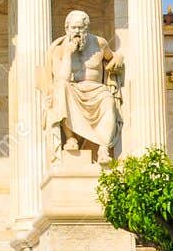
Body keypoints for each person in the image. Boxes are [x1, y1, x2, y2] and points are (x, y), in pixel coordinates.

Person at [41, 10, 121, 163]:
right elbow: (62, 78)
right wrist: (68, 54)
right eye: (73, 28)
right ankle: (71, 139)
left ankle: (103, 148)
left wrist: (119, 57)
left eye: (80, 28)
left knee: (108, 100)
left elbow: (112, 57)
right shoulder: (59, 49)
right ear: (67, 29)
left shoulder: (100, 43)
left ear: (86, 28)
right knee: (61, 89)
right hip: (73, 90)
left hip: (97, 90)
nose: (77, 32)